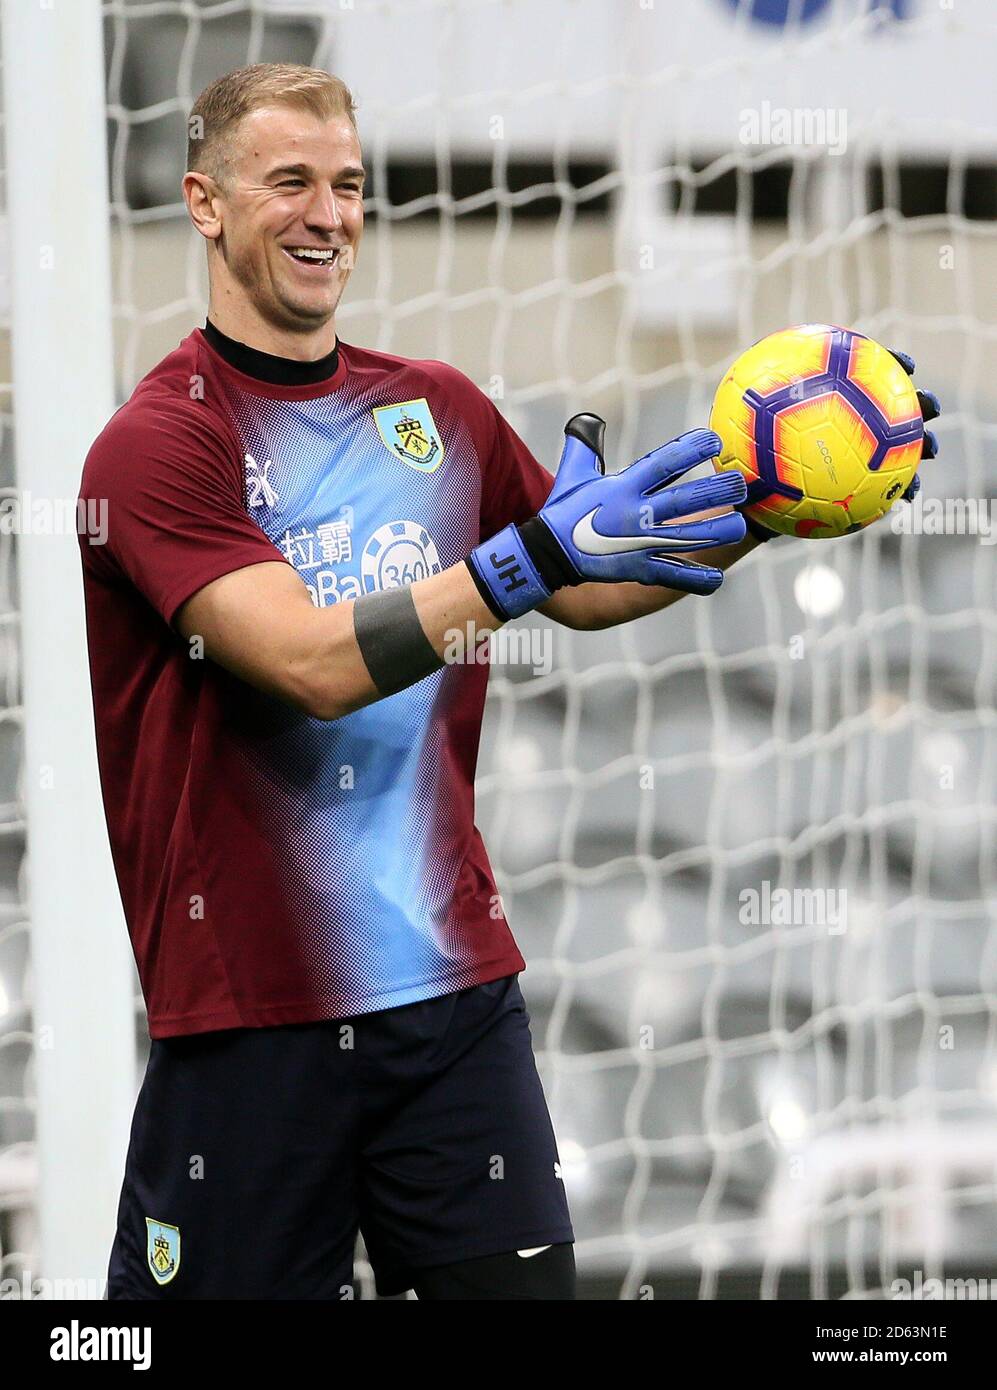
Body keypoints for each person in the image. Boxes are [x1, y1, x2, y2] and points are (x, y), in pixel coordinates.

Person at [77, 62, 935, 1300]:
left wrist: (771, 494)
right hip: (249, 1023)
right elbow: (312, 663)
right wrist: (522, 558)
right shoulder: (163, 442)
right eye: (291, 184)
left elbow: (589, 582)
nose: (328, 215)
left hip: (452, 1003)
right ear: (205, 204)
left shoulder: (437, 408)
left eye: (350, 186)